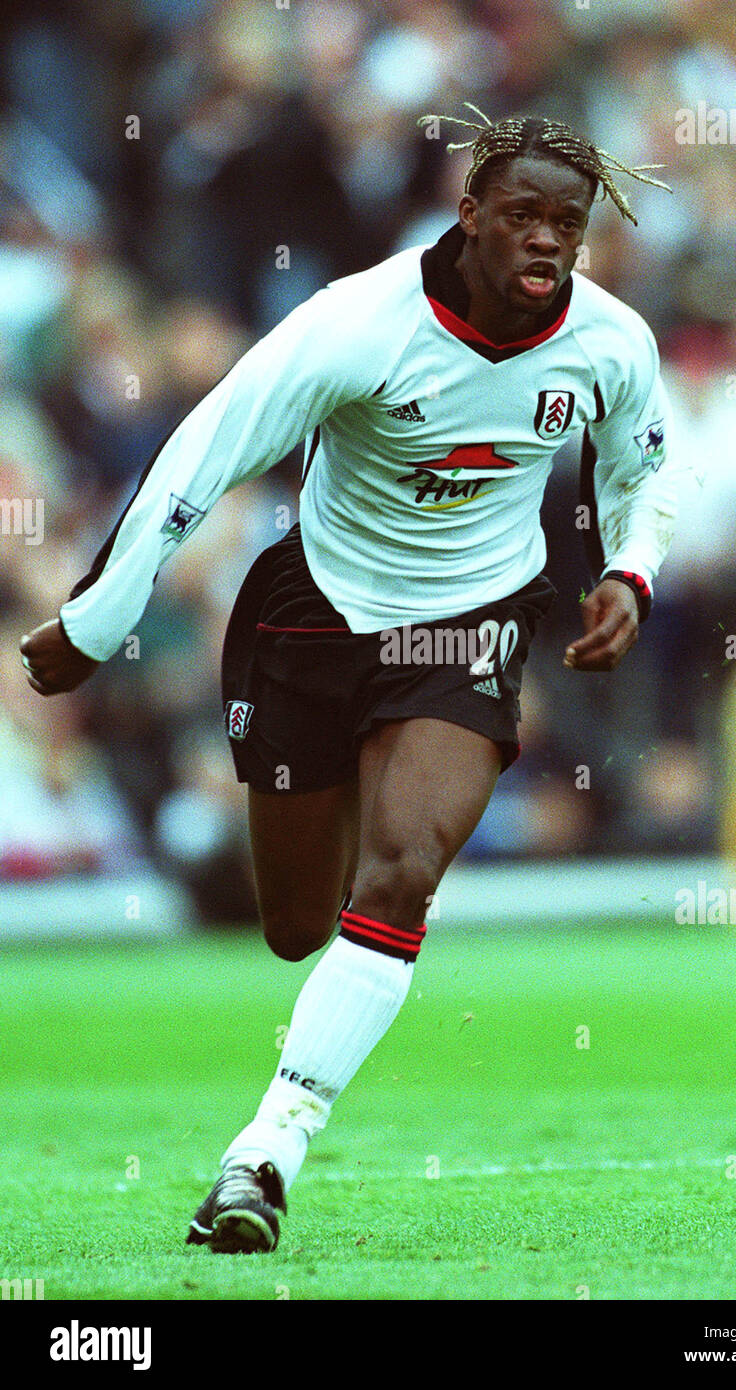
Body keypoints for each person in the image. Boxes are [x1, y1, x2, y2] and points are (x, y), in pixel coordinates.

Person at [21, 108, 683, 1253]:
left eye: (564, 226)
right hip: (313, 620)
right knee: (292, 927)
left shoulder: (610, 342)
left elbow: (645, 468)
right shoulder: (353, 326)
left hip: (469, 626)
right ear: (467, 213)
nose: (543, 244)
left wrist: (629, 569)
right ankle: (325, 962)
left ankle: (264, 1153)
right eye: (520, 215)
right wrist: (96, 620)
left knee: (403, 869)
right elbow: (203, 453)